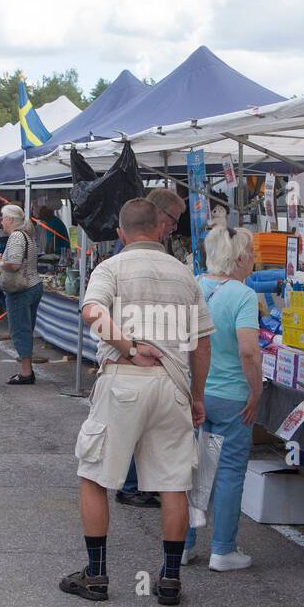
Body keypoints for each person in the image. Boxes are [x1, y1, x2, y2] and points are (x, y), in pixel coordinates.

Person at [59, 198, 213, 607]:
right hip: (172, 383)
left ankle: (96, 573)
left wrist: (126, 346)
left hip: (125, 381)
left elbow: (92, 312)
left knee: (94, 475)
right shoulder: (184, 274)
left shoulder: (111, 268)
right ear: (161, 229)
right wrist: (197, 396)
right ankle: (170, 578)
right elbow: (202, 342)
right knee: (173, 483)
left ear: (122, 232)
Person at [183, 217, 260, 571]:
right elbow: (248, 350)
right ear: (239, 258)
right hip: (231, 395)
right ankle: (223, 549)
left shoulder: (195, 285)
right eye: (251, 253)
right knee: (228, 471)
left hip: (196, 389)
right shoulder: (243, 295)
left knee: (196, 468)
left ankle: (183, 543)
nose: (254, 260)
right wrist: (256, 390)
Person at [115, 187, 190, 509]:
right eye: (174, 219)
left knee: (143, 424)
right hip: (142, 358)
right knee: (142, 425)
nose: (175, 226)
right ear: (158, 215)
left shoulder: (140, 253)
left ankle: (139, 483)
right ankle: (134, 484)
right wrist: (129, 349)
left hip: (145, 357)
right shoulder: (129, 256)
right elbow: (94, 313)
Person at [0, 205, 43, 385]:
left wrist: (0, 262)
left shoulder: (16, 236)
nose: (1, 221)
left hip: (21, 289)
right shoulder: (27, 235)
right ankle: (27, 369)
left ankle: (26, 372)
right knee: (27, 328)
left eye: (2, 217)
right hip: (33, 285)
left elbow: (15, 264)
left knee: (20, 329)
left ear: (10, 220)